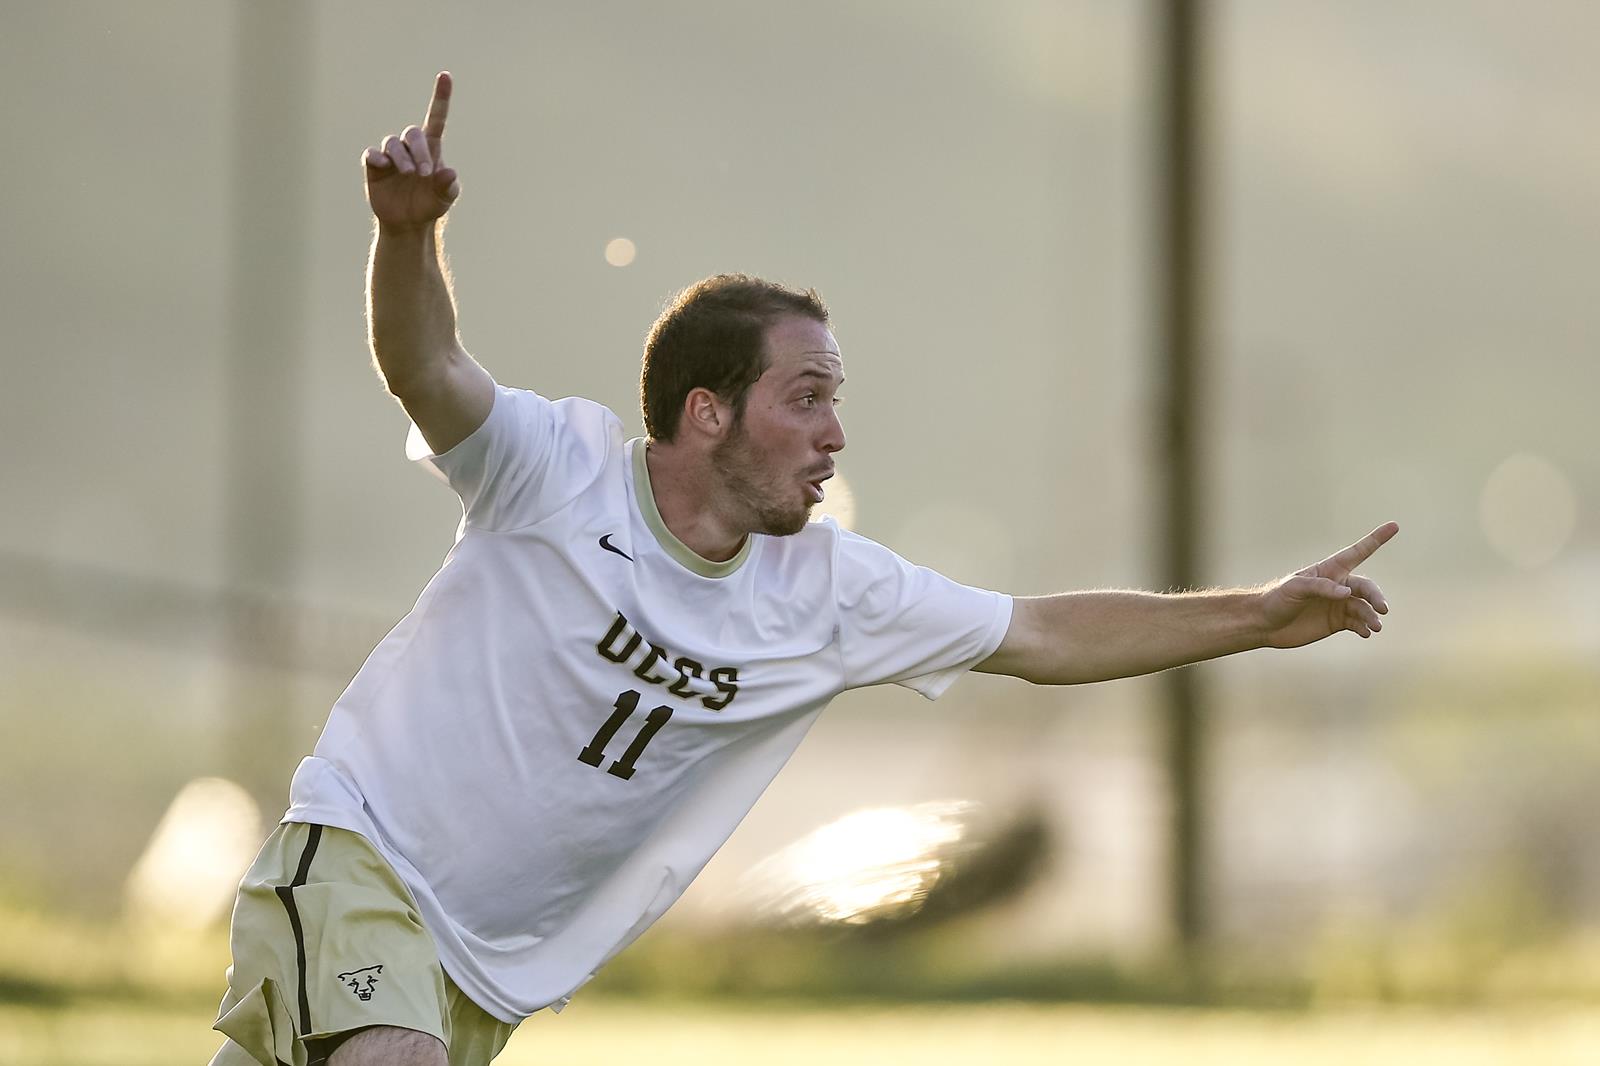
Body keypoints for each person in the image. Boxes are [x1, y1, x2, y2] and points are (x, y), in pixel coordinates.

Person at [209, 71, 1397, 1066]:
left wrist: (1257, 613)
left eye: (839, 402)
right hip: (362, 864)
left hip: (487, 975)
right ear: (707, 413)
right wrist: (406, 235)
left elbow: (1042, 634)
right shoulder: (550, 469)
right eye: (806, 398)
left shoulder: (830, 593)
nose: (835, 434)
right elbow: (425, 364)